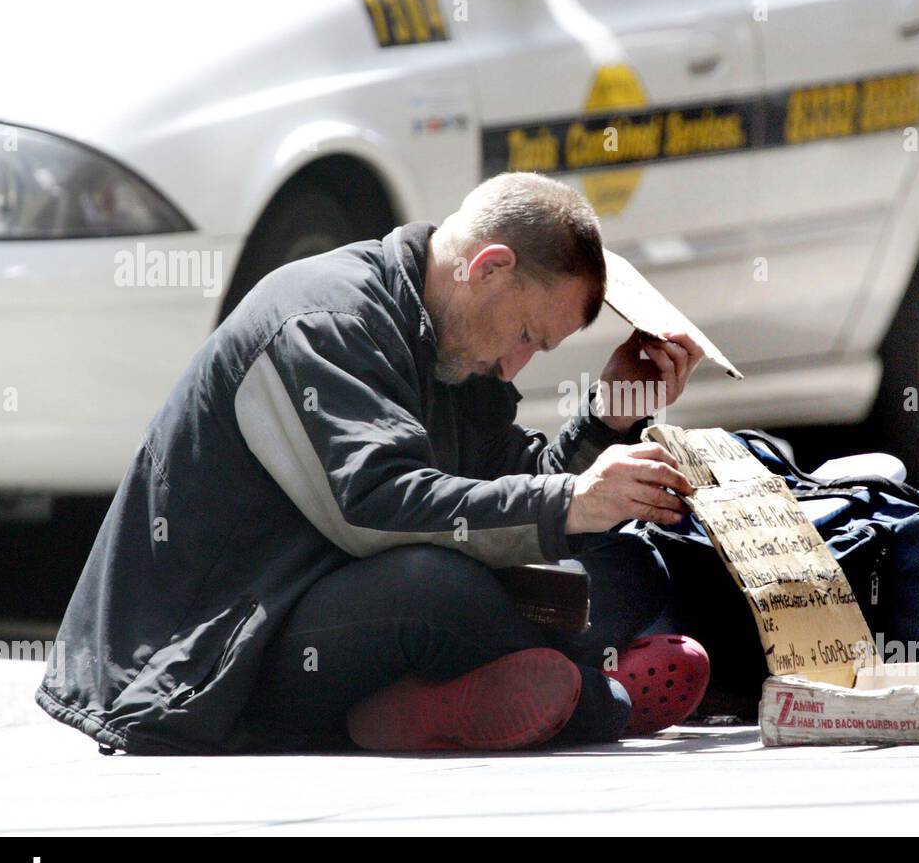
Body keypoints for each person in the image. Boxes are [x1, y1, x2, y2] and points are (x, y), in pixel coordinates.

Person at [36, 172, 711, 755]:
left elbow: (507, 487)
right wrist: (569, 501)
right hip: (221, 653)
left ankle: (426, 705)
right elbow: (376, 507)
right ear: (488, 269)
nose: (517, 364)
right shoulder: (323, 318)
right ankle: (603, 694)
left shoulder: (458, 342)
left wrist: (611, 415)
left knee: (633, 567)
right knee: (439, 589)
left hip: (354, 601)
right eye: (528, 334)